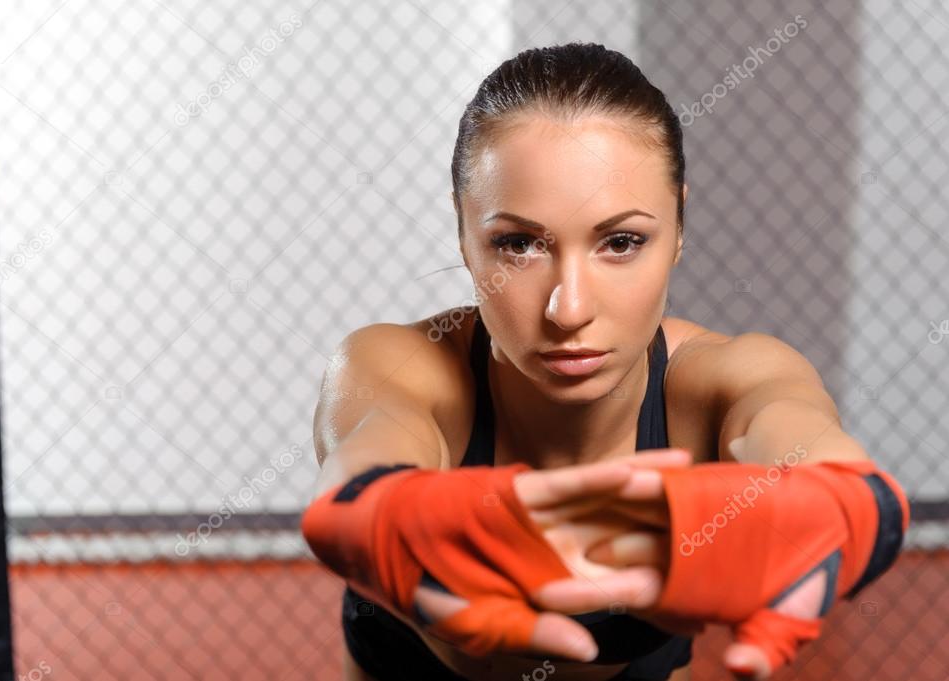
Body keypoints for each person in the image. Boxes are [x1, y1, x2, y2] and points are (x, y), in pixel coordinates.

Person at [301, 43, 909, 681]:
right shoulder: (401, 366)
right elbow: (362, 464)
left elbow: (807, 439)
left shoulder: (724, 381)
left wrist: (843, 508)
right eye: (519, 244)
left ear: (678, 228)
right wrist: (383, 512)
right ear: (463, 234)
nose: (569, 310)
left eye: (621, 242)